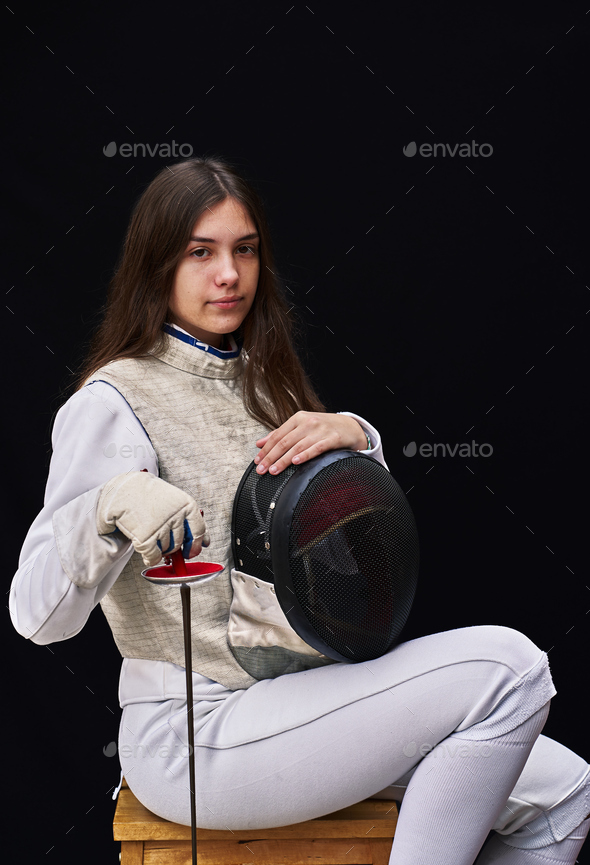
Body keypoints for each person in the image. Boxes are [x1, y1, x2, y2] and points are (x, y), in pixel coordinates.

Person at [10, 156, 590, 865]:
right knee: (511, 668)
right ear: (155, 265)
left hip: (301, 699)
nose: (229, 274)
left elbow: (350, 562)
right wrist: (107, 506)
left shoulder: (265, 384)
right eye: (200, 252)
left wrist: (358, 439)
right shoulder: (113, 400)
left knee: (566, 791)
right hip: (196, 731)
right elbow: (36, 616)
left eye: (245, 250)